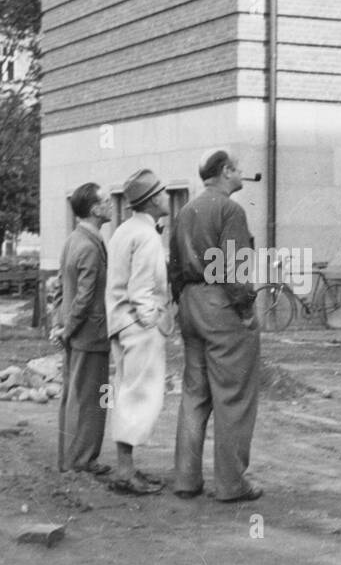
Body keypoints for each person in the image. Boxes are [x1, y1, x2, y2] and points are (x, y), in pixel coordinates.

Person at [168, 150, 262, 502]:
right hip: (221, 304)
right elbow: (235, 267)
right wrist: (246, 309)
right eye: (238, 169)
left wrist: (183, 302)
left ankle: (186, 480)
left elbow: (174, 265)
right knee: (234, 397)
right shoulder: (230, 210)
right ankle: (232, 484)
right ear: (225, 172)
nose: (242, 174)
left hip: (190, 304)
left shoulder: (186, 210)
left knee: (194, 396)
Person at [105, 169, 172, 495]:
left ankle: (126, 467)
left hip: (121, 322)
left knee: (127, 393)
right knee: (139, 397)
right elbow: (141, 287)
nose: (167, 196)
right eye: (162, 192)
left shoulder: (125, 230)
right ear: (152, 199)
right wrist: (152, 321)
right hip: (138, 324)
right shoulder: (146, 236)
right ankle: (125, 472)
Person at [56, 182, 113, 476]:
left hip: (75, 332)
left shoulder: (73, 240)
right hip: (90, 334)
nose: (111, 205)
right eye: (106, 201)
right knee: (91, 398)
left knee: (74, 395)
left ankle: (70, 459)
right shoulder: (90, 245)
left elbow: (59, 287)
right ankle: (82, 461)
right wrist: (69, 328)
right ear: (94, 209)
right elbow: (85, 296)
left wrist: (60, 324)